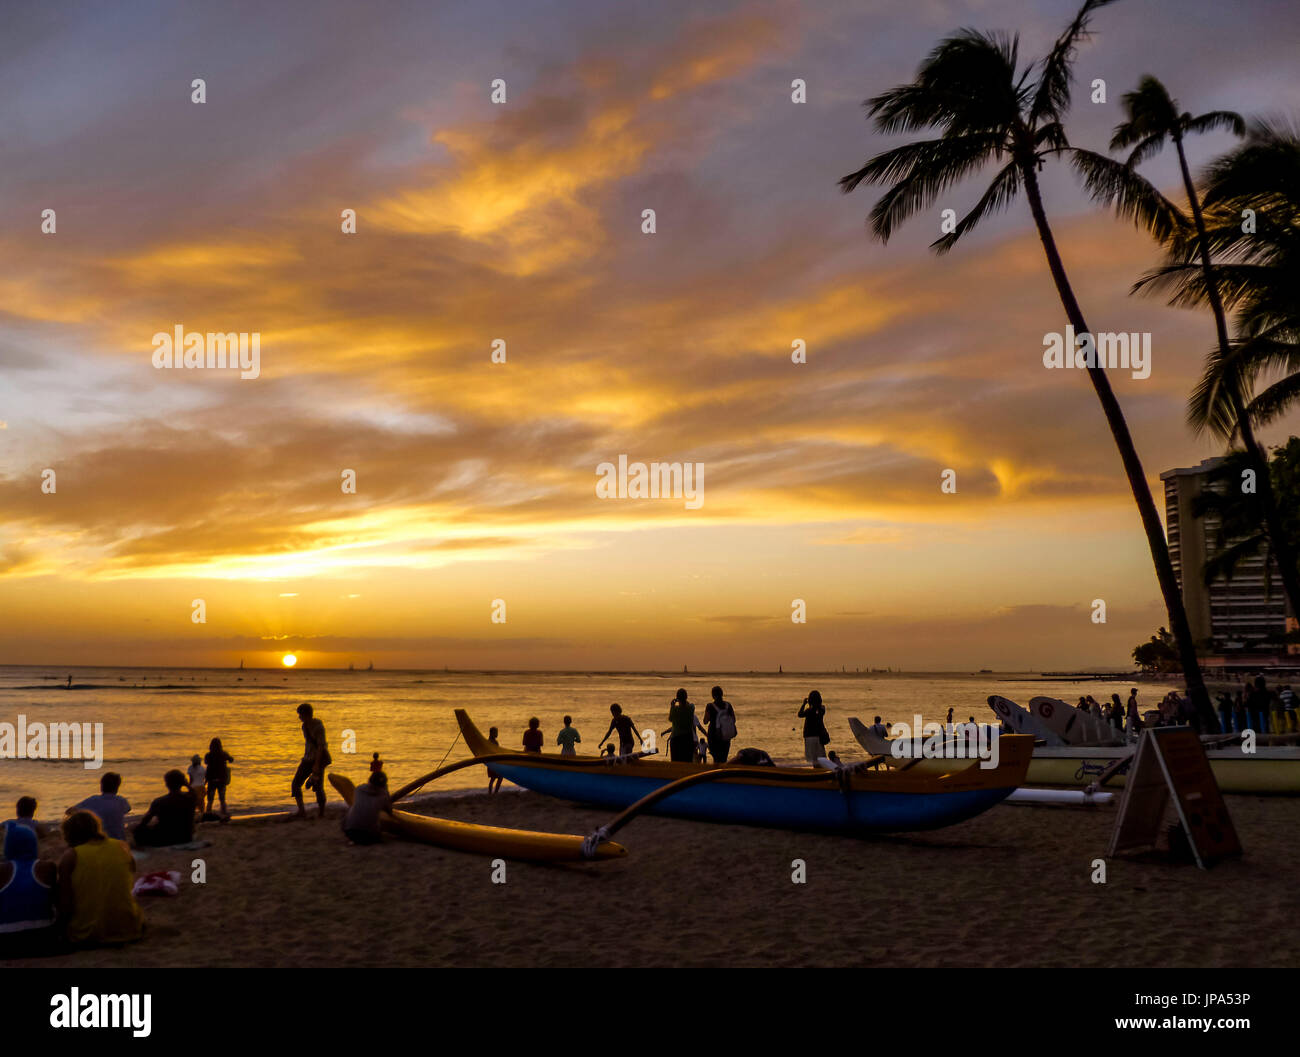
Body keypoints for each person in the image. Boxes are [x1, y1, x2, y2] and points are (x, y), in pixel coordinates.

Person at [58, 810, 144, 947]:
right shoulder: (121, 846)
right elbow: (131, 872)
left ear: (69, 833)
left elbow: (65, 902)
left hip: (87, 933)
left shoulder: (71, 856)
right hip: (129, 928)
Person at [0, 823, 60, 956]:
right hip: (43, 938)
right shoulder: (47, 868)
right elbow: (57, 903)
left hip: (5, 941)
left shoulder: (3, 870)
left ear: (9, 846)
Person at [133, 770, 197, 847]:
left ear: (167, 784)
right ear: (182, 783)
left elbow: (145, 821)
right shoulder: (190, 798)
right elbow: (193, 792)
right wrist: (186, 784)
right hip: (186, 837)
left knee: (138, 831)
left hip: (165, 838)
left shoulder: (159, 801)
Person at [292, 703, 332, 819]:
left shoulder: (318, 726)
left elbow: (320, 746)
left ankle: (321, 813)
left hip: (318, 760)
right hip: (307, 759)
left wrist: (316, 765)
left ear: (306, 714)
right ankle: (302, 812)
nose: (299, 717)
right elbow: (309, 744)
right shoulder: (304, 726)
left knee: (318, 787)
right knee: (295, 784)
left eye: (300, 714)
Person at [69, 773, 131, 842]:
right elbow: (128, 809)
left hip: (99, 841)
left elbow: (70, 811)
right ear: (117, 787)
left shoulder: (93, 800)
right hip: (120, 841)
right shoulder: (122, 801)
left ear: (101, 786)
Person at [342, 771, 389, 845]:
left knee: (349, 811)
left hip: (350, 832)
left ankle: (354, 838)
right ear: (383, 785)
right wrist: (386, 791)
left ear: (369, 780)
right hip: (369, 835)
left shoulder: (358, 789)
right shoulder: (383, 795)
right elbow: (389, 810)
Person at [664, 689, 706, 763]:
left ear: (677, 698)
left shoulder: (675, 709)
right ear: (686, 697)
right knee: (687, 760)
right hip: (688, 738)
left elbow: (670, 719)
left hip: (676, 738)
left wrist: (672, 705)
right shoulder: (691, 708)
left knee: (675, 761)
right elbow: (689, 704)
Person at [703, 686, 736, 764]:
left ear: (713, 695)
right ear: (722, 694)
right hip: (726, 736)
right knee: (723, 758)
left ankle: (716, 774)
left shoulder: (710, 706)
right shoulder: (728, 705)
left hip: (714, 736)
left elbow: (705, 721)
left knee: (716, 759)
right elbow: (733, 719)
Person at [204, 737, 234, 816]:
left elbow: (206, 762)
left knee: (210, 799)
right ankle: (224, 813)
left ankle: (208, 813)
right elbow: (231, 760)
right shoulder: (224, 754)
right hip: (222, 779)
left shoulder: (208, 755)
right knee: (222, 799)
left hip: (211, 779)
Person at [798, 690, 830, 764]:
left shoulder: (809, 711)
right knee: (821, 758)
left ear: (810, 701)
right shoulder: (822, 709)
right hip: (819, 737)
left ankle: (815, 771)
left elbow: (800, 714)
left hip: (809, 736)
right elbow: (820, 708)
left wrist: (803, 704)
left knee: (812, 758)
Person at [187, 754, 206, 818]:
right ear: (199, 762)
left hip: (193, 787)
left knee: (192, 803)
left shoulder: (190, 768)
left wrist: (188, 787)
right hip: (201, 787)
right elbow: (204, 778)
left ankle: (193, 817)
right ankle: (203, 815)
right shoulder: (203, 768)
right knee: (201, 803)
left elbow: (191, 779)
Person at [486, 727, 504, 794]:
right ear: (491, 733)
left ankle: (491, 792)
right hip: (492, 763)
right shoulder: (489, 742)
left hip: (494, 763)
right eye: (496, 733)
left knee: (494, 779)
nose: (497, 734)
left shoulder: (493, 742)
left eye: (497, 732)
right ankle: (494, 792)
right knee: (498, 777)